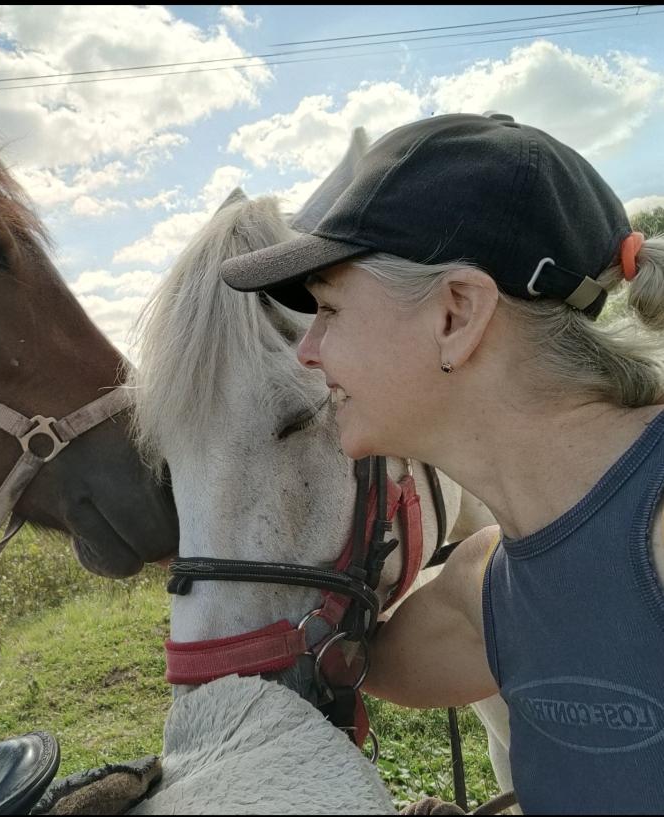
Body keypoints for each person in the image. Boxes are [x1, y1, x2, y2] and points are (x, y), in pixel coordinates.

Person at [219, 112, 664, 814]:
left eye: (328, 308)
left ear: (455, 314)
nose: (309, 352)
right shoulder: (484, 590)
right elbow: (339, 661)